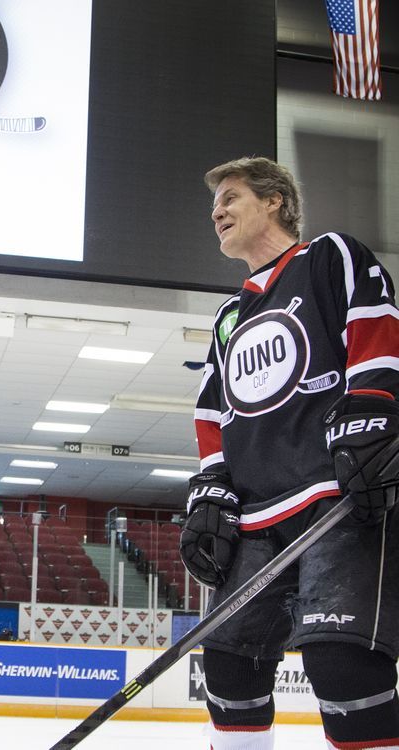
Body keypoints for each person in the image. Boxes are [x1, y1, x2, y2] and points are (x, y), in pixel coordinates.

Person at [180, 156, 399, 749]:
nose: (216, 212)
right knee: (227, 668)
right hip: (255, 516)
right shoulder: (231, 315)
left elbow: (375, 325)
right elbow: (211, 412)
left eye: (229, 198)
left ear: (274, 199)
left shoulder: (329, 257)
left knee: (342, 664)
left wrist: (371, 408)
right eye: (214, 205)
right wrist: (212, 485)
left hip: (336, 498)